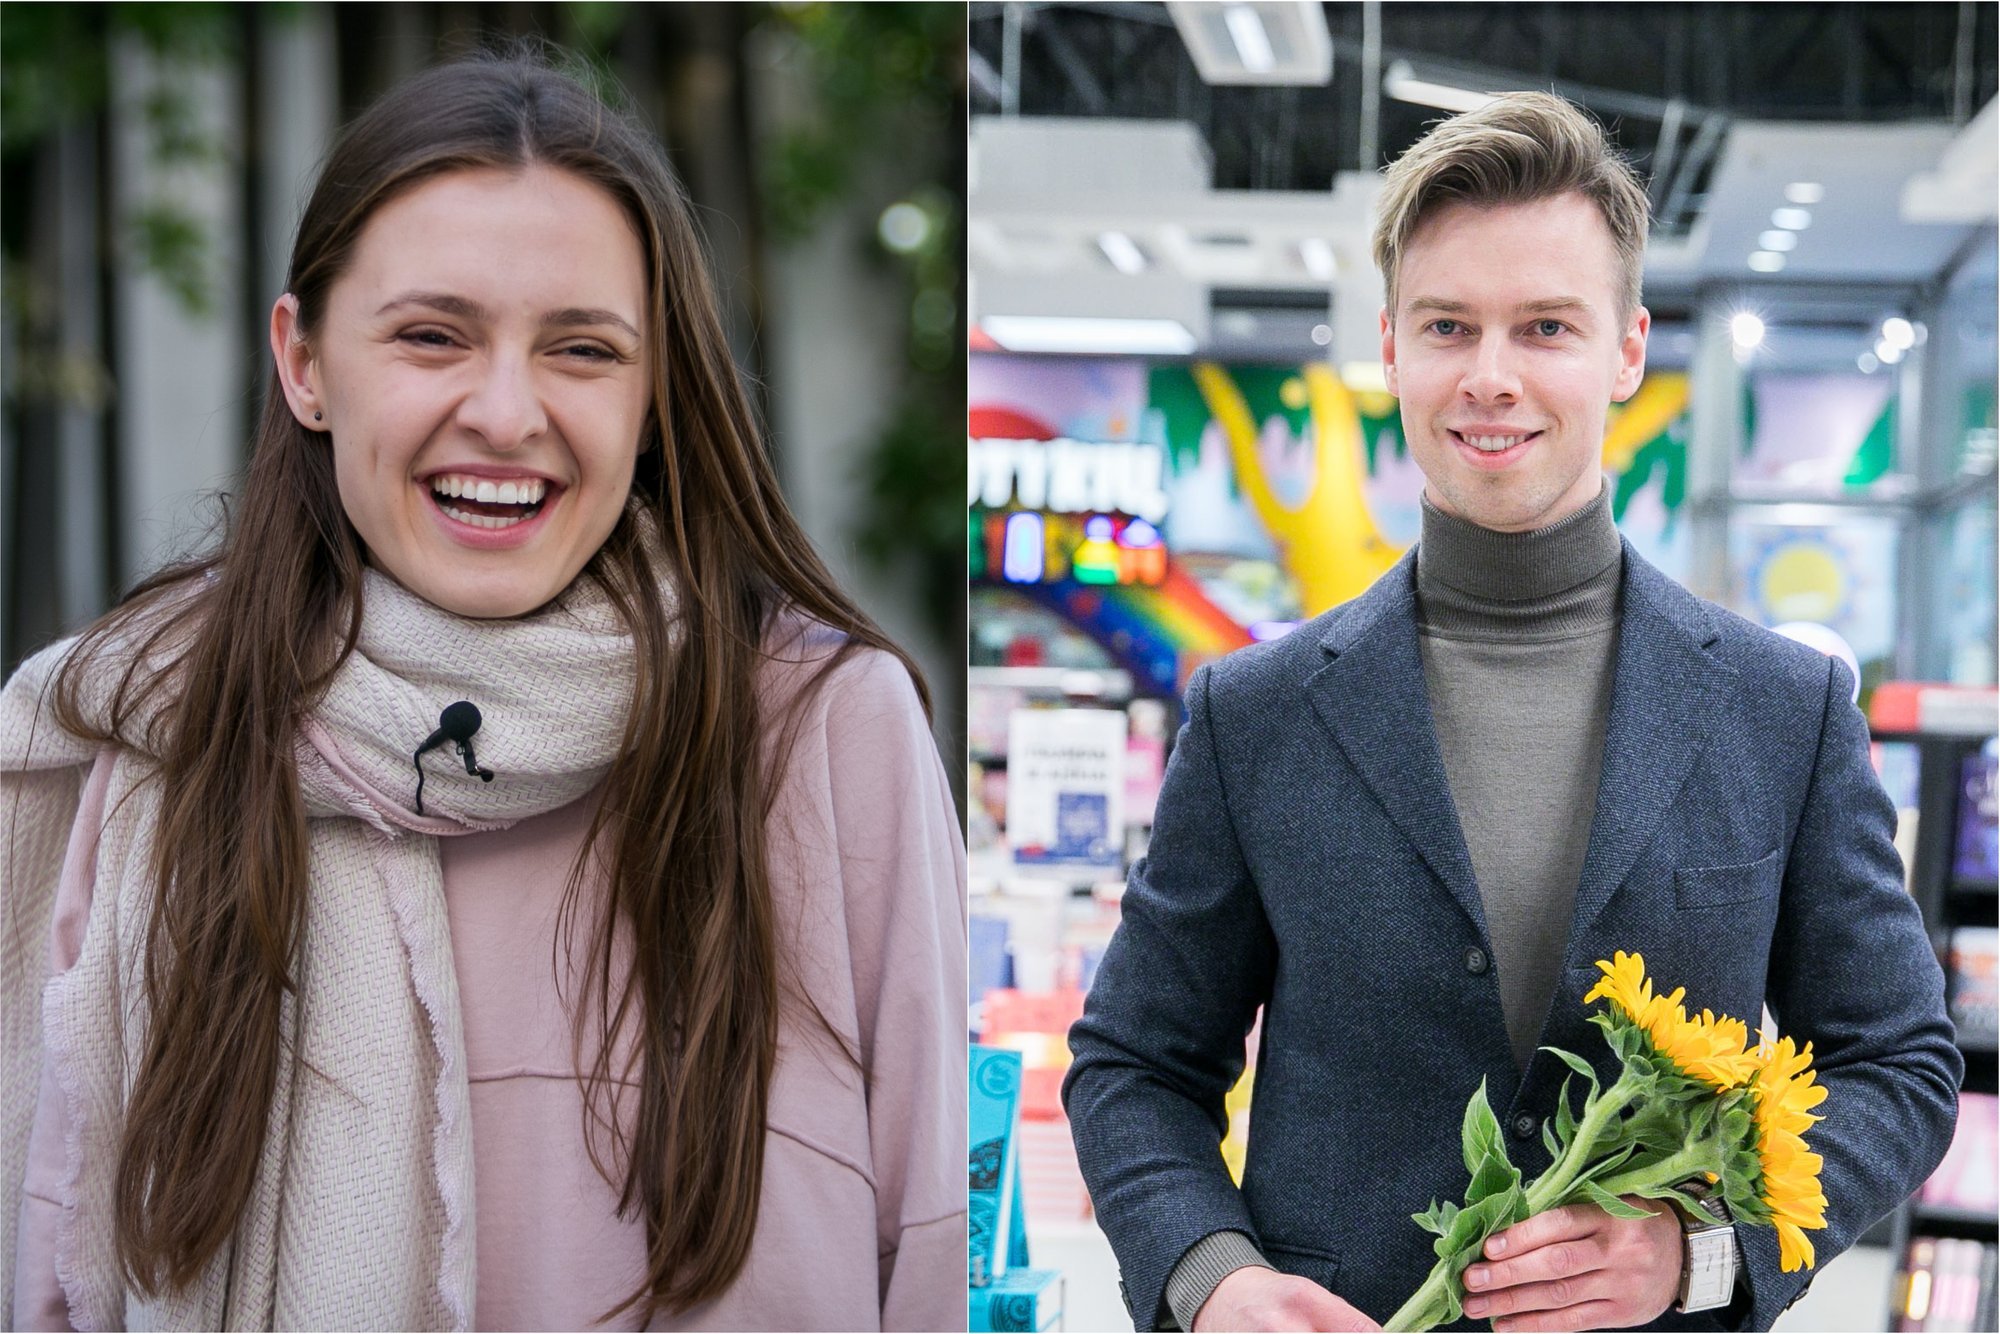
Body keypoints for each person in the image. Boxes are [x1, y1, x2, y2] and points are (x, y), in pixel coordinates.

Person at [2, 51, 966, 1332]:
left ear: (652, 389)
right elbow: (49, 1260)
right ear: (304, 364)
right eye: (430, 336)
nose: (506, 412)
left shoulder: (819, 730)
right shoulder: (136, 735)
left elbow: (938, 1249)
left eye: (581, 348)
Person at [1064, 91, 1960, 1333]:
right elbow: (1133, 1063)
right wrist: (1212, 1277)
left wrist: (1698, 1250)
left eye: (1544, 326)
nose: (1489, 377)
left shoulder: (1780, 710)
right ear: (1391, 347)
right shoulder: (1252, 716)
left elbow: (1899, 1063)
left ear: (1626, 349)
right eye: (1448, 326)